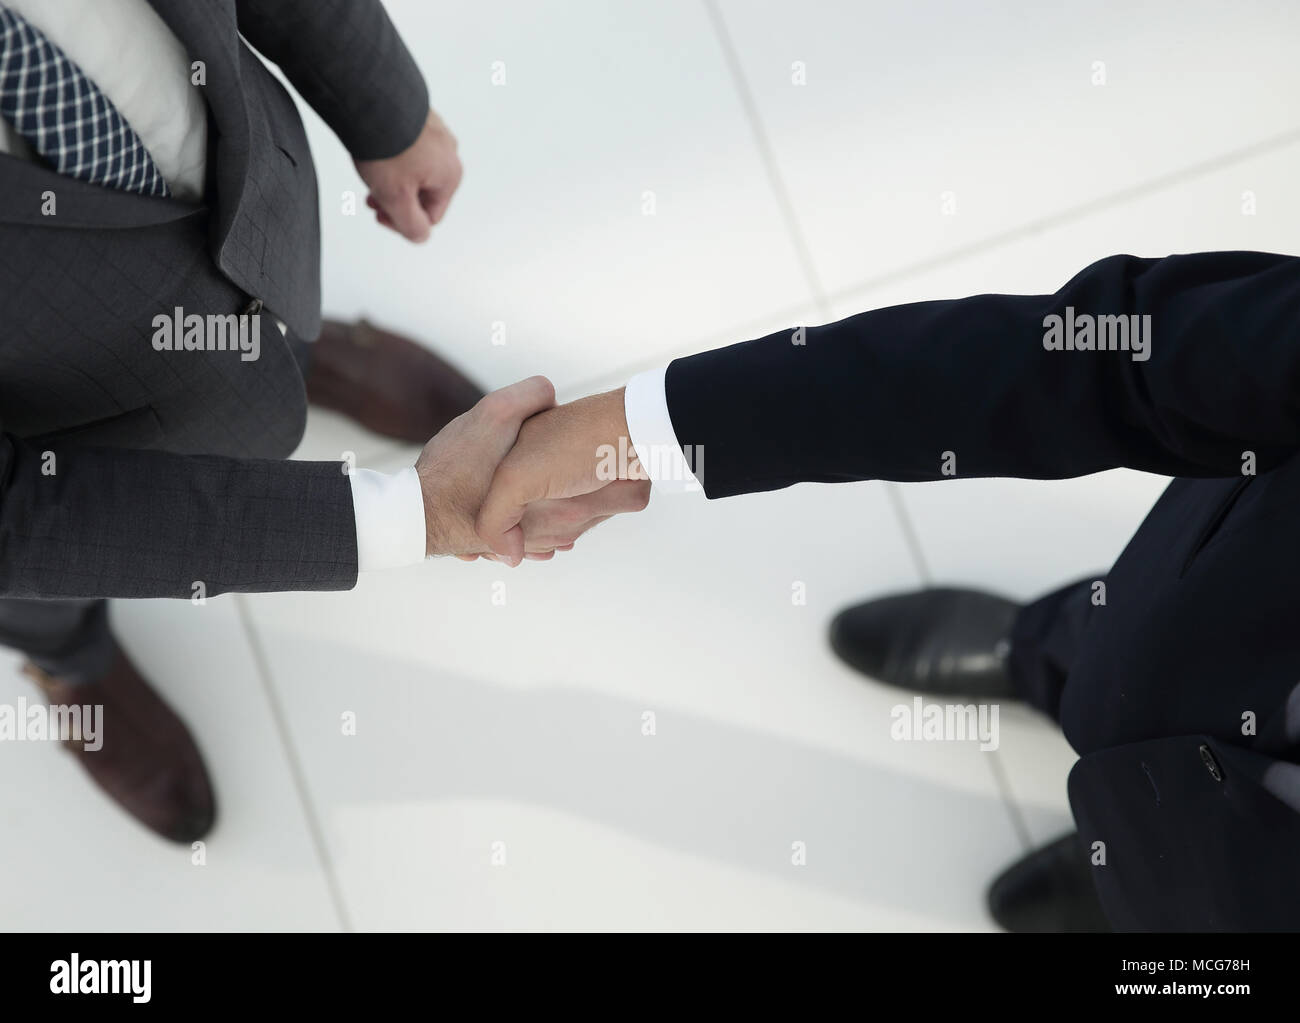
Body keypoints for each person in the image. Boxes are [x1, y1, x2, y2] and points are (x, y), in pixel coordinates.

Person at [474, 250, 1300, 932]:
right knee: (1124, 635)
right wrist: (639, 431)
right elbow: (1101, 360)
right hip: (1233, 591)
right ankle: (1046, 650)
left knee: (1173, 882)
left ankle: (1133, 863)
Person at [0, 0, 642, 843]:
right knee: (39, 580)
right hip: (52, 432)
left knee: (264, 322)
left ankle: (294, 354)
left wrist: (382, 106)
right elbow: (17, 519)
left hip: (231, 175)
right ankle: (70, 661)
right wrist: (406, 516)